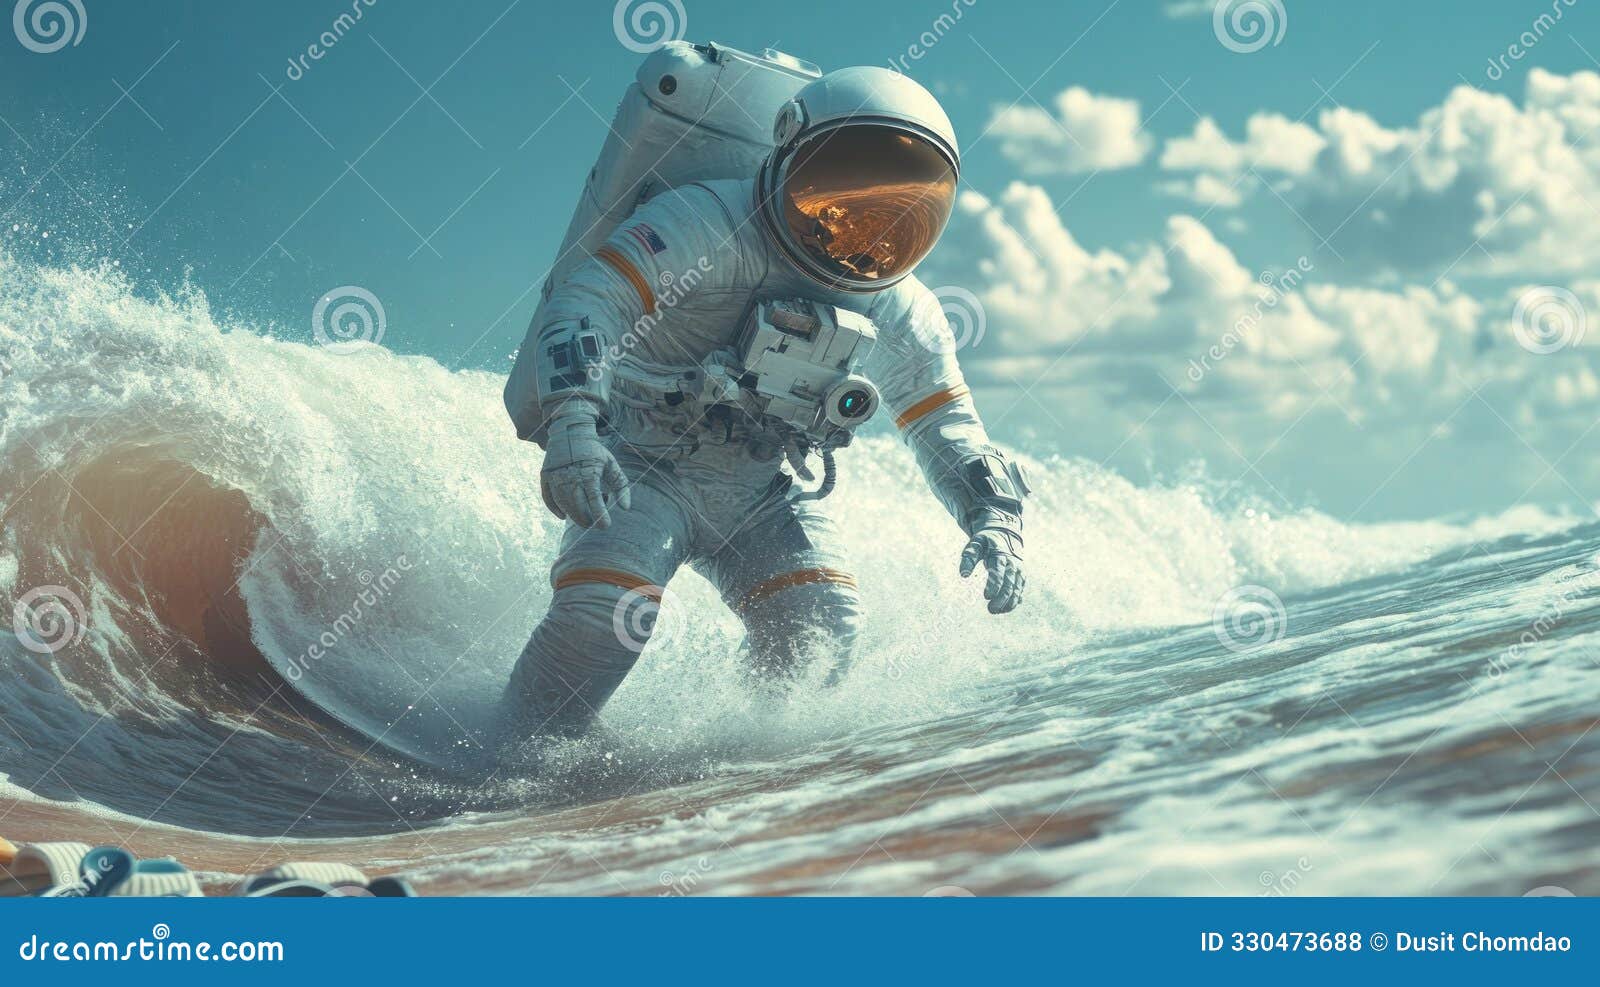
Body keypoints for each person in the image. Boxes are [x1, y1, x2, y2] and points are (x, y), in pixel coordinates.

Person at [499, 66, 1029, 748]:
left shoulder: (901, 304)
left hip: (762, 490)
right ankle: (507, 759)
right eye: (839, 191)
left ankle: (739, 777)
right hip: (639, 467)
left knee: (821, 633)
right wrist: (574, 420)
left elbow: (943, 421)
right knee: (602, 616)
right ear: (786, 147)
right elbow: (589, 301)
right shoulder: (703, 222)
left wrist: (995, 517)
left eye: (893, 209)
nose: (857, 225)